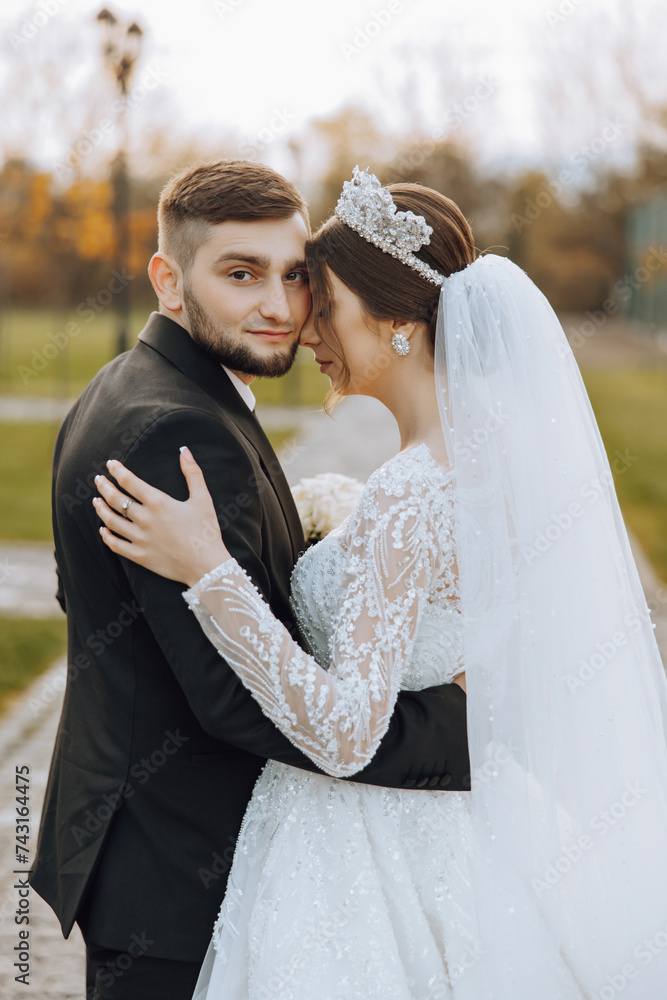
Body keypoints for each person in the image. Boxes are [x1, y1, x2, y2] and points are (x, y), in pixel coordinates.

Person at [94, 167, 667, 999]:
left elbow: (343, 736)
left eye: (323, 304)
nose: (304, 327)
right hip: (464, 831)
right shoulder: (481, 463)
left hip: (360, 849)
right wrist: (341, 514)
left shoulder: (412, 489)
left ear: (396, 319)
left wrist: (211, 572)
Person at [29, 161, 470, 1000]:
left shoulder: (136, 386)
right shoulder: (177, 432)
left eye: (296, 275)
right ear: (167, 280)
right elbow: (231, 699)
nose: (281, 306)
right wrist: (460, 732)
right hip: (178, 870)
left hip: (151, 847)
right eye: (241, 274)